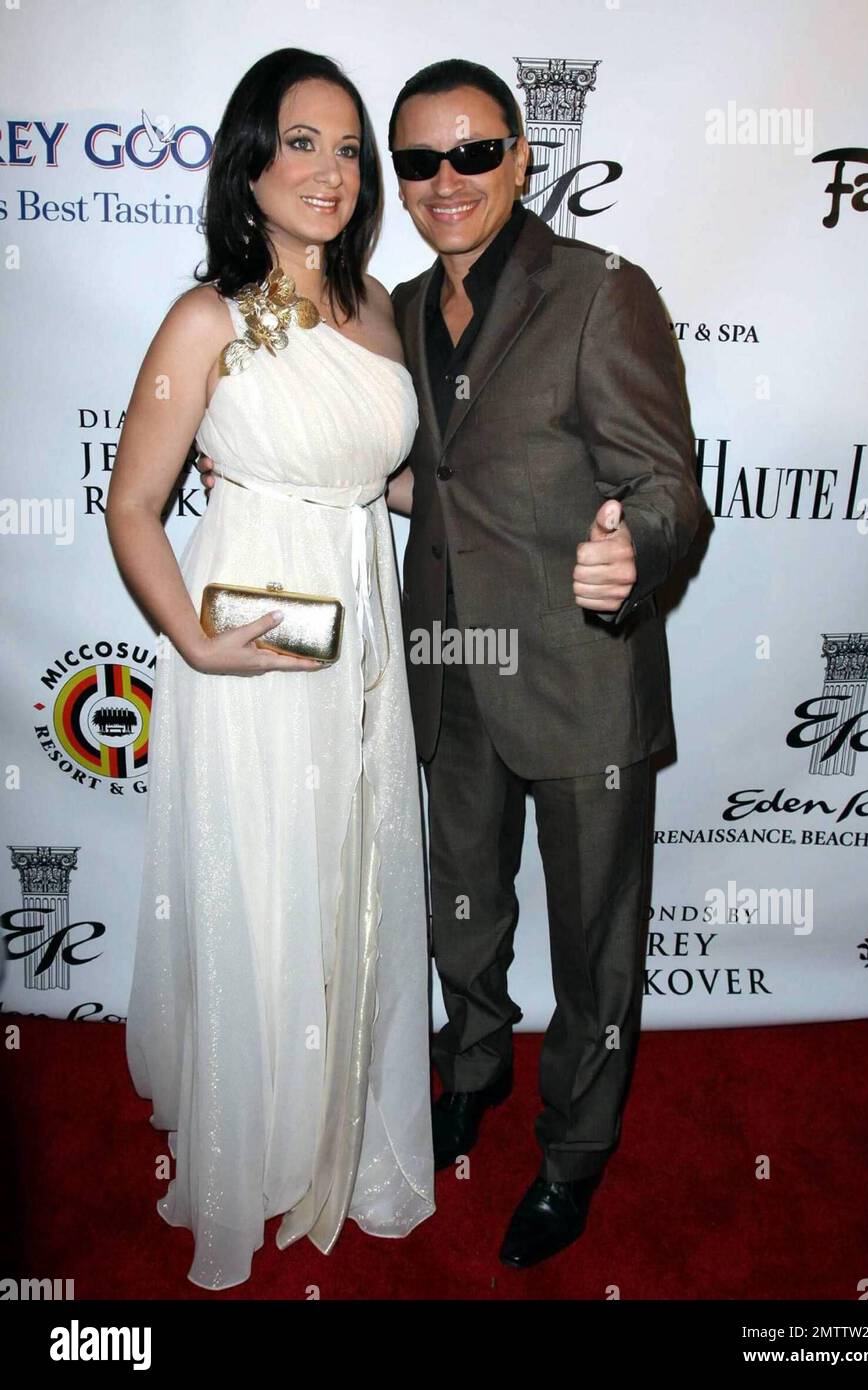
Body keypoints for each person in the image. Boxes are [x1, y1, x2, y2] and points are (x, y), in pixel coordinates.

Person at [200, 57, 707, 1270]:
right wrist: (283, 476)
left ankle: (574, 1152)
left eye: (473, 153)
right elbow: (439, 477)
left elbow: (670, 485)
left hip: (582, 679)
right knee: (462, 922)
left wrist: (631, 548)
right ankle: (470, 1075)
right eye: (418, 159)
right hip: (445, 674)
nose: (445, 181)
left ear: (520, 160)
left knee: (594, 947)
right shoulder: (399, 309)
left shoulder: (601, 290)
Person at [107, 47, 434, 1291]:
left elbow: (390, 480)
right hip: (252, 637)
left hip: (360, 618)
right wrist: (190, 639)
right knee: (262, 875)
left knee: (351, 863)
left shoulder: (379, 306)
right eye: (304, 142)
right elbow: (134, 502)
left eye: (349, 148)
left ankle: (339, 1125)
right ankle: (258, 1135)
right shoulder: (208, 318)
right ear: (251, 160)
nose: (334, 171)